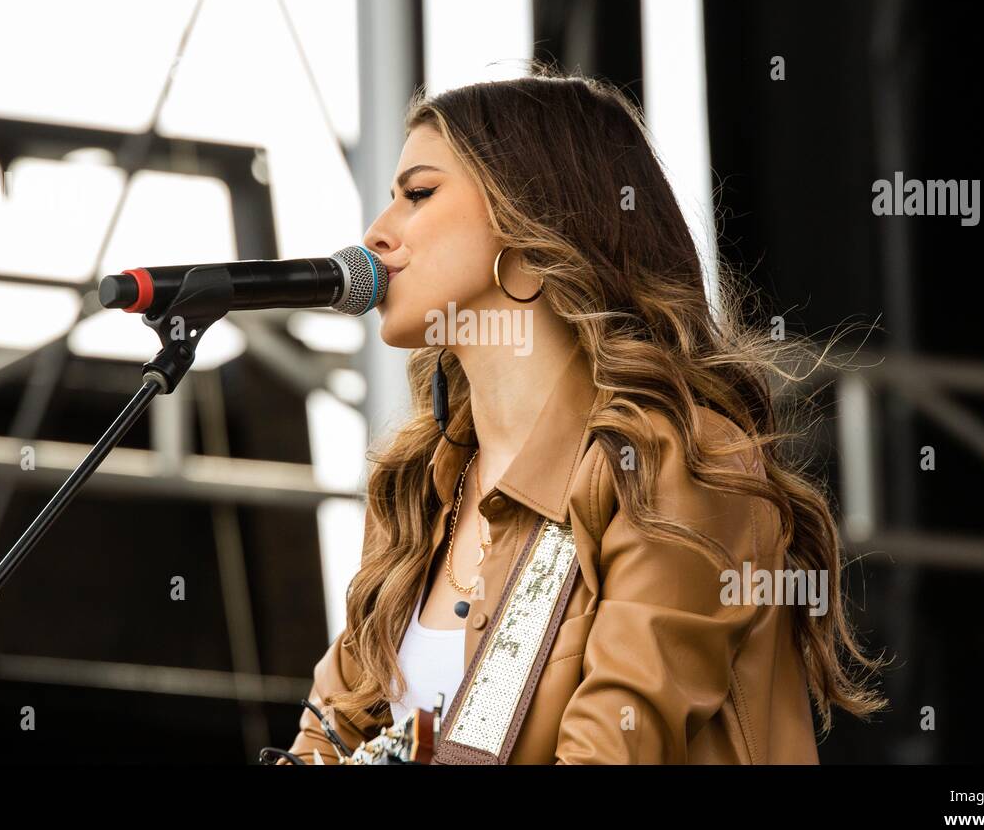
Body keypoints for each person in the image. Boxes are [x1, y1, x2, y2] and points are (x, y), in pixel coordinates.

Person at [281, 67, 887, 764]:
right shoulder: (421, 487)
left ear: (531, 223)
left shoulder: (667, 467)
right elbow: (322, 739)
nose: (377, 234)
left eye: (418, 194)